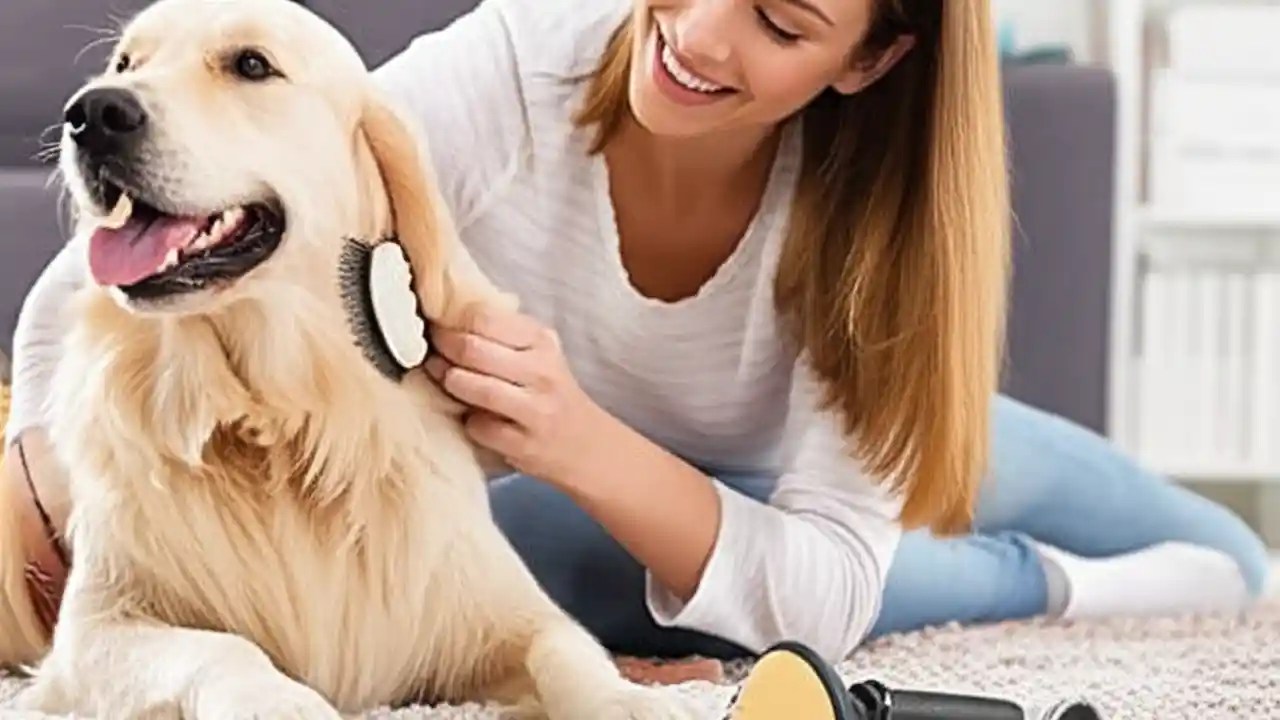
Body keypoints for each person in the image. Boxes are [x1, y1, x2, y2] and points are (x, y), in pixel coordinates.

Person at [6, 0, 1271, 671]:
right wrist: (64, 490)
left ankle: (1093, 580)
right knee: (541, 555)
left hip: (783, 457)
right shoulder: (517, 67)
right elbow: (86, 288)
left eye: (779, 22)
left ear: (868, 61)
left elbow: (825, 580)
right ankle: (1058, 589)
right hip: (601, 506)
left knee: (1227, 558)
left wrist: (575, 436)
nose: (699, 34)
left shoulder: (875, 225)